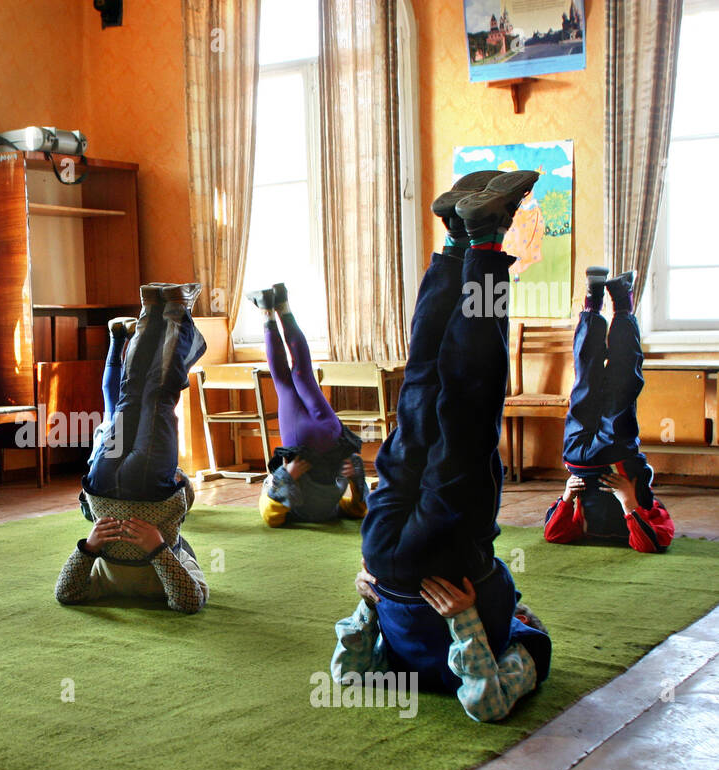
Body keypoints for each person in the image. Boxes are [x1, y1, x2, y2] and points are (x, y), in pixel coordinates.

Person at [333, 170, 552, 722]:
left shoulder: (525, 649)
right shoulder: (425, 663)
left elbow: (490, 706)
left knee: (468, 400)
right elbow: (349, 672)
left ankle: (479, 241)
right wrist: (370, 597)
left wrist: (463, 621)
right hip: (385, 558)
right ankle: (455, 240)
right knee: (421, 390)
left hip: (440, 564)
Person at [56, 283, 209, 614]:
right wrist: (158, 549)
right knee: (143, 395)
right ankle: (154, 309)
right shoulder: (180, 557)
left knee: (145, 395)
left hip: (110, 493)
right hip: (136, 490)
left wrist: (89, 547)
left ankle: (170, 311)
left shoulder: (104, 578)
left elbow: (65, 593)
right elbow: (190, 601)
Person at [543, 267, 673, 552]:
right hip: (615, 452)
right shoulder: (655, 511)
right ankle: (620, 302)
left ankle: (594, 301)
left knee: (586, 378)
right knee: (621, 380)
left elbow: (553, 534)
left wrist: (566, 498)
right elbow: (653, 543)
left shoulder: (583, 522)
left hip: (580, 459)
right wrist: (629, 502)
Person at [248, 282, 367, 526]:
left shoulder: (320, 508)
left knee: (301, 374)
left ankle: (281, 306)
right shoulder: (331, 508)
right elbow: (270, 516)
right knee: (288, 379)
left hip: (328, 436)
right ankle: (270, 311)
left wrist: (285, 476)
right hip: (306, 444)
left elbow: (358, 508)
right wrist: (354, 479)